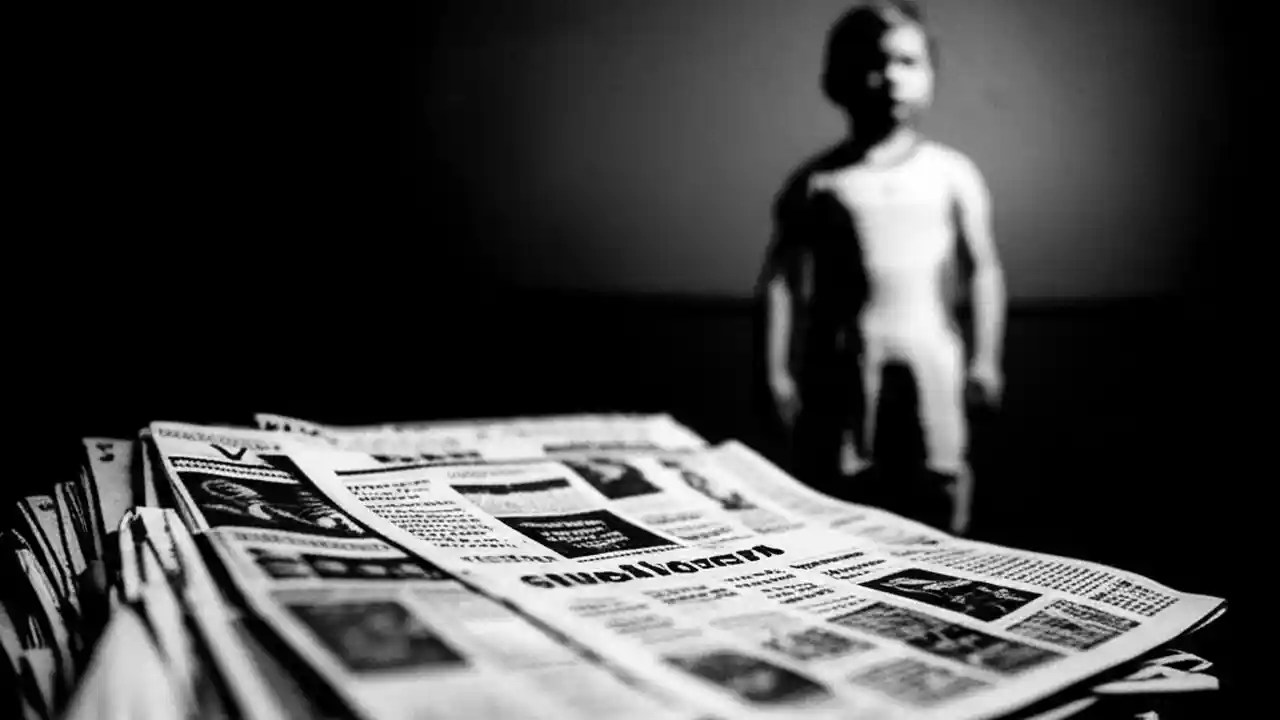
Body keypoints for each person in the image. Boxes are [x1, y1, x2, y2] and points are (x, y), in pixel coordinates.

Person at [759, 0, 1006, 535]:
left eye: (908, 62)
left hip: (932, 354)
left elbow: (982, 268)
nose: (891, 77)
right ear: (838, 78)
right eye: (875, 62)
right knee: (842, 488)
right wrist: (775, 372)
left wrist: (986, 357)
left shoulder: (951, 173)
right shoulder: (819, 182)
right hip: (845, 357)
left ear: (930, 76)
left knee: (941, 480)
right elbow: (780, 280)